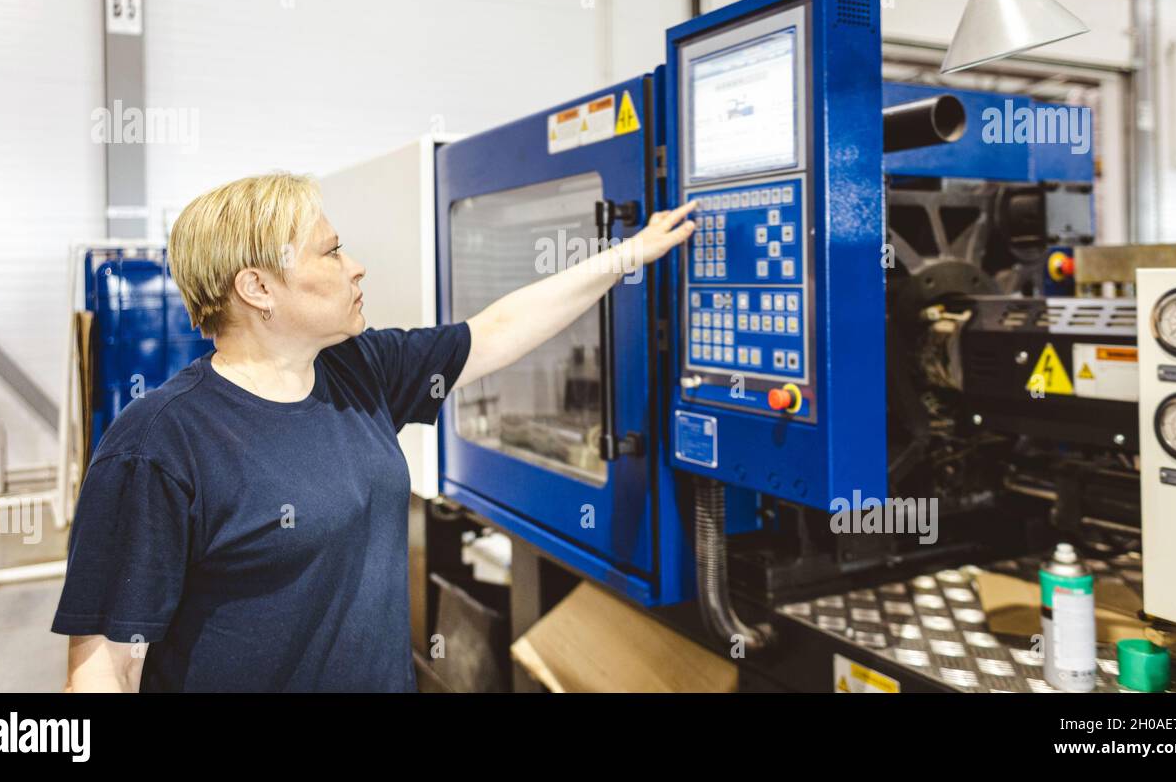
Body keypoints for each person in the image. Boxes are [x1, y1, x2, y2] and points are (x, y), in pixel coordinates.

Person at [52, 172, 695, 691]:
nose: (355, 266)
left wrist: (628, 255)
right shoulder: (160, 444)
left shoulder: (359, 368)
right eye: (331, 252)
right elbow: (108, 665)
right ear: (257, 288)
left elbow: (496, 331)